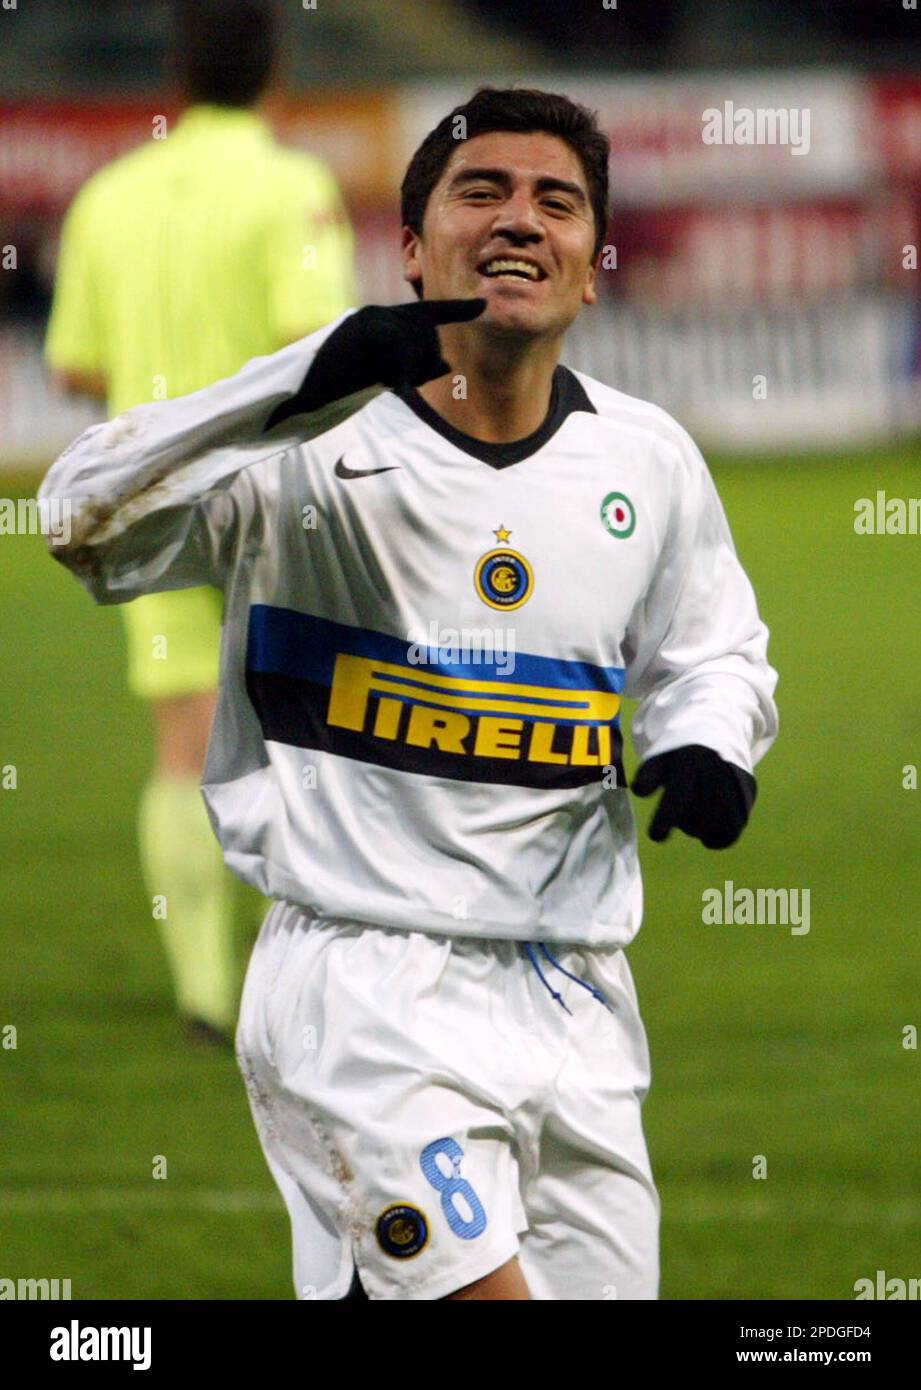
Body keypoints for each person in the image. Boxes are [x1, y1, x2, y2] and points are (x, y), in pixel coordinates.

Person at [38, 86, 778, 1299]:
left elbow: (716, 648)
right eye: (479, 191)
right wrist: (299, 378)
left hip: (577, 991)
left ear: (594, 266)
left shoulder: (648, 462)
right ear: (410, 248)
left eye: (558, 201)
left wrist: (707, 735)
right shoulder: (306, 452)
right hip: (363, 987)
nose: (519, 221)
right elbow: (82, 520)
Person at [43, 0, 356, 1044]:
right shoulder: (294, 187)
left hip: (155, 503)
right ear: (278, 72)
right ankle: (298, 975)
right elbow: (319, 350)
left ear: (174, 77)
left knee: (182, 743)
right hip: (276, 504)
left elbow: (75, 364)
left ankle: (202, 995)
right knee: (306, 734)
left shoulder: (110, 196)